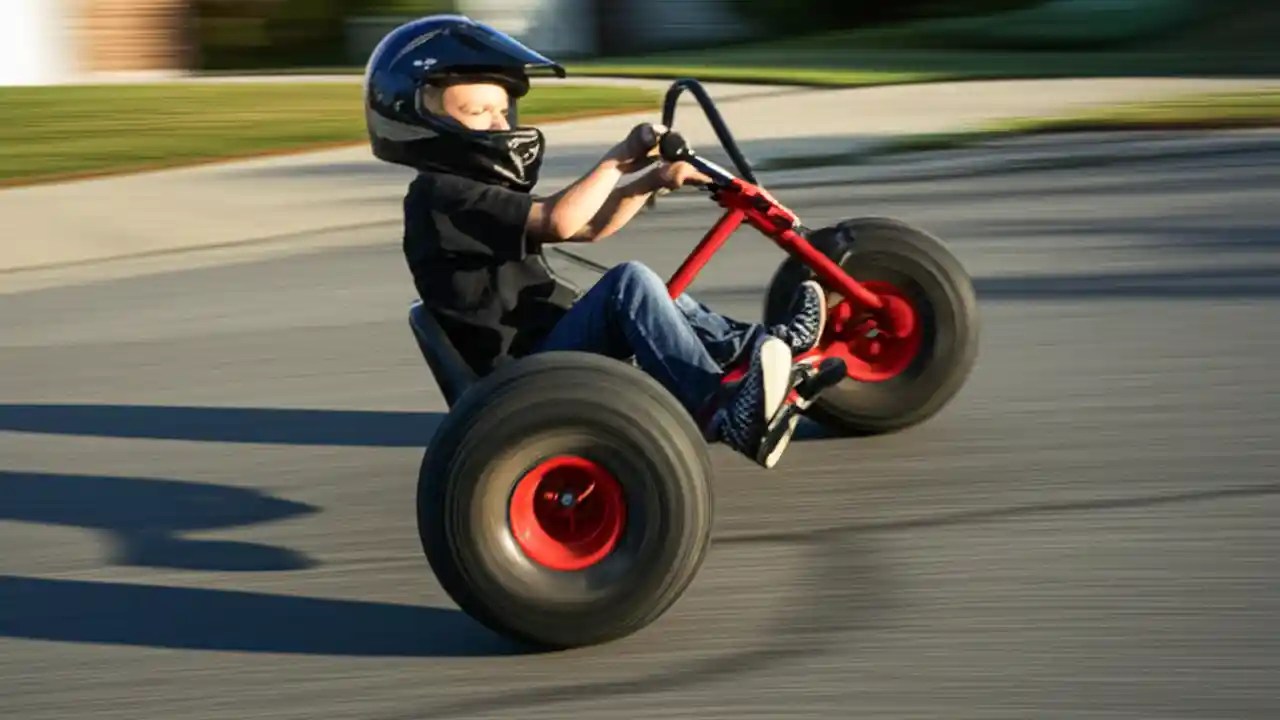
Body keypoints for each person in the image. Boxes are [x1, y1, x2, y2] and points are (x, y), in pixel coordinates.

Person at [364, 15, 827, 467]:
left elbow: (589, 226)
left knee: (661, 299)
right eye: (477, 112)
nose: (500, 125)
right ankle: (723, 413)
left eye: (502, 111)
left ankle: (768, 347)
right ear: (420, 119)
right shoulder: (442, 195)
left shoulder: (463, 192)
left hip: (537, 357)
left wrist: (651, 181)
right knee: (630, 285)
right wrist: (619, 159)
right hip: (523, 376)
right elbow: (561, 221)